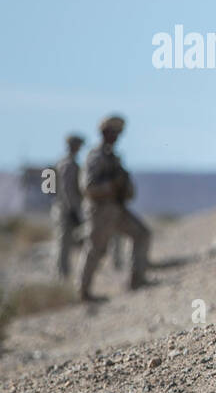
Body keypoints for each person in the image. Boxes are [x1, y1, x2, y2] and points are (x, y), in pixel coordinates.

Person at [77, 116, 150, 300]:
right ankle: (82, 292)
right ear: (104, 133)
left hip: (117, 210)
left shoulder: (113, 158)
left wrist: (124, 187)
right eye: (112, 133)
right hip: (100, 211)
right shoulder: (95, 157)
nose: (116, 137)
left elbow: (126, 186)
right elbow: (88, 187)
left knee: (142, 234)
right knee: (95, 249)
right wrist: (111, 185)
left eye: (118, 133)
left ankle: (136, 280)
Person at [50, 133, 84, 280]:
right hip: (66, 210)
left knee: (67, 243)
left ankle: (63, 275)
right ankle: (61, 276)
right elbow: (67, 189)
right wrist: (74, 211)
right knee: (64, 244)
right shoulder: (68, 164)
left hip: (65, 208)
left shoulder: (63, 163)